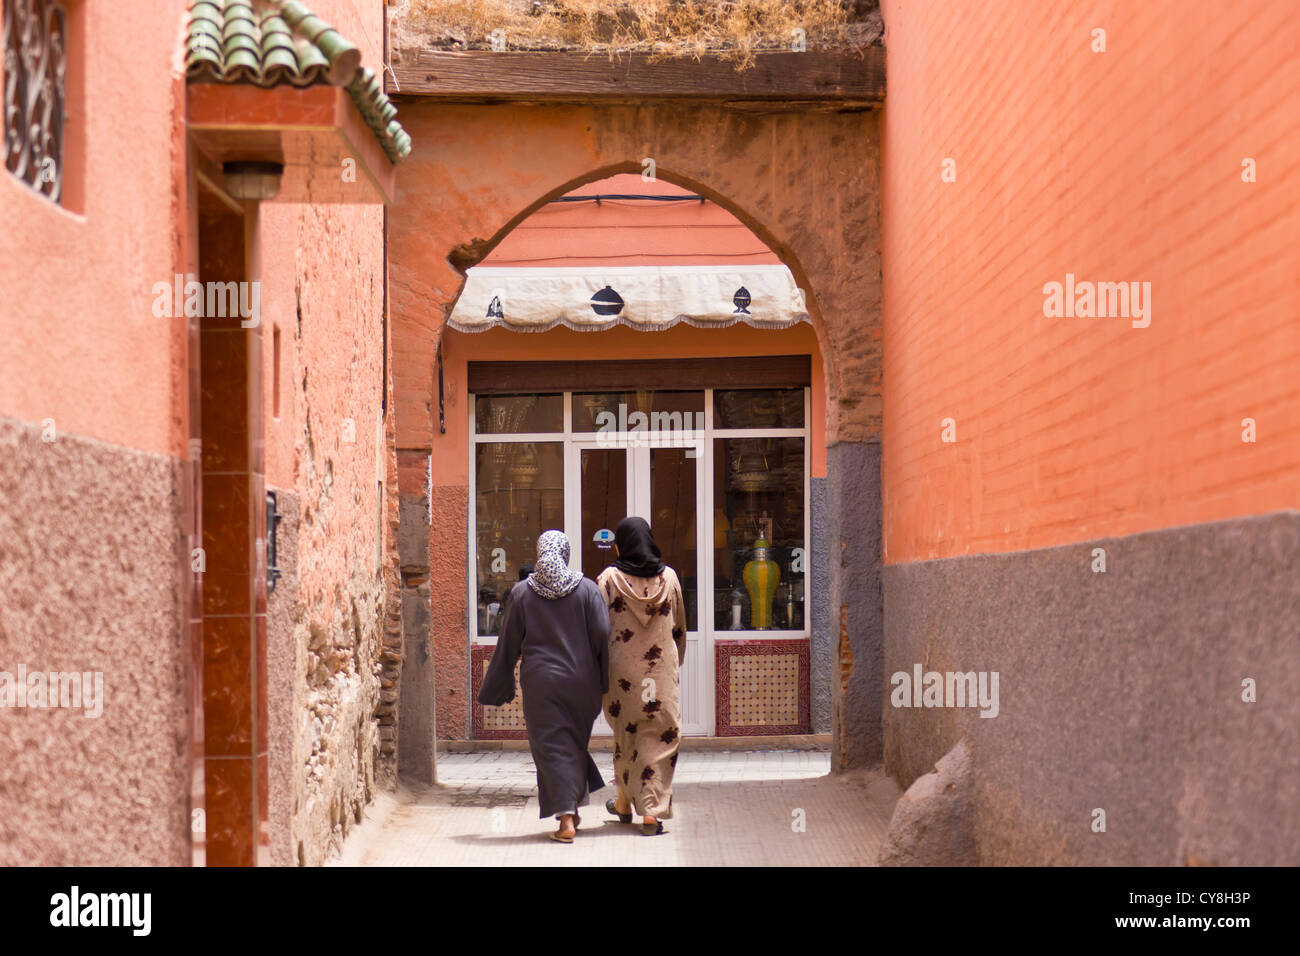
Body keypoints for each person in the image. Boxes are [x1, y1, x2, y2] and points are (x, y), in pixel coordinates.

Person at [477, 532, 609, 843]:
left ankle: (565, 818)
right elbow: (603, 633)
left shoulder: (523, 593)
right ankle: (573, 808)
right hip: (583, 682)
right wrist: (603, 678)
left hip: (541, 684)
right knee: (573, 744)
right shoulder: (588, 589)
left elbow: (508, 640)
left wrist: (499, 681)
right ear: (565, 553)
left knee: (552, 748)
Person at [598, 516, 687, 836]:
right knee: (661, 738)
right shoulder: (670, 578)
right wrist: (675, 664)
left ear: (621, 545)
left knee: (627, 738)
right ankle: (650, 811)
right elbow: (678, 628)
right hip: (659, 675)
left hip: (623, 676)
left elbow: (598, 628)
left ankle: (626, 803)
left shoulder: (608, 579)